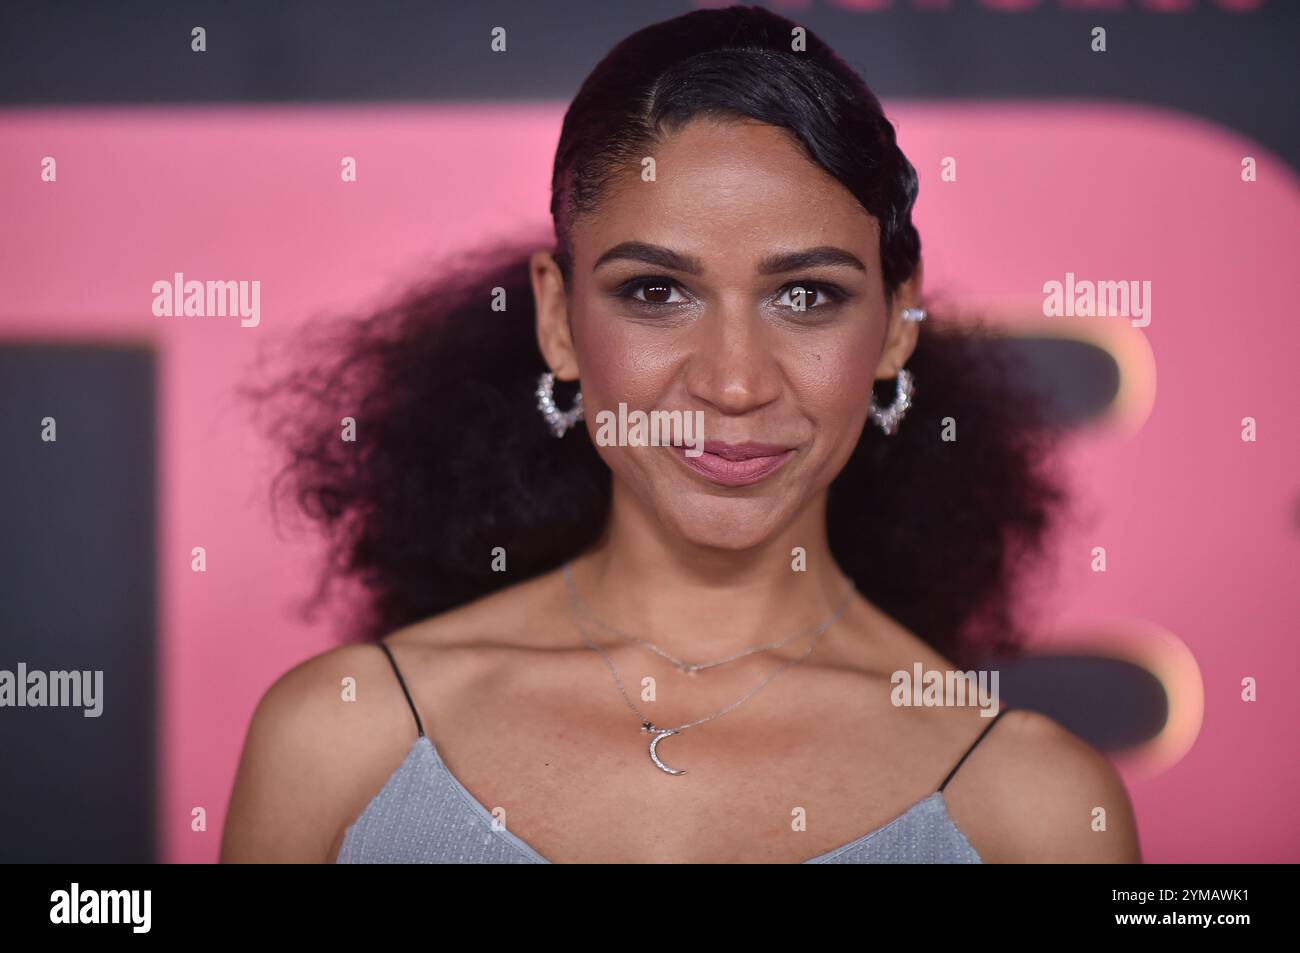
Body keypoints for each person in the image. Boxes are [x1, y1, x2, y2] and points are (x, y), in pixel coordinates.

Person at [221, 4, 1140, 863]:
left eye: (808, 295)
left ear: (898, 322)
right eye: (656, 292)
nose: (734, 382)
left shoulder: (1034, 808)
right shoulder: (344, 737)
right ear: (556, 316)